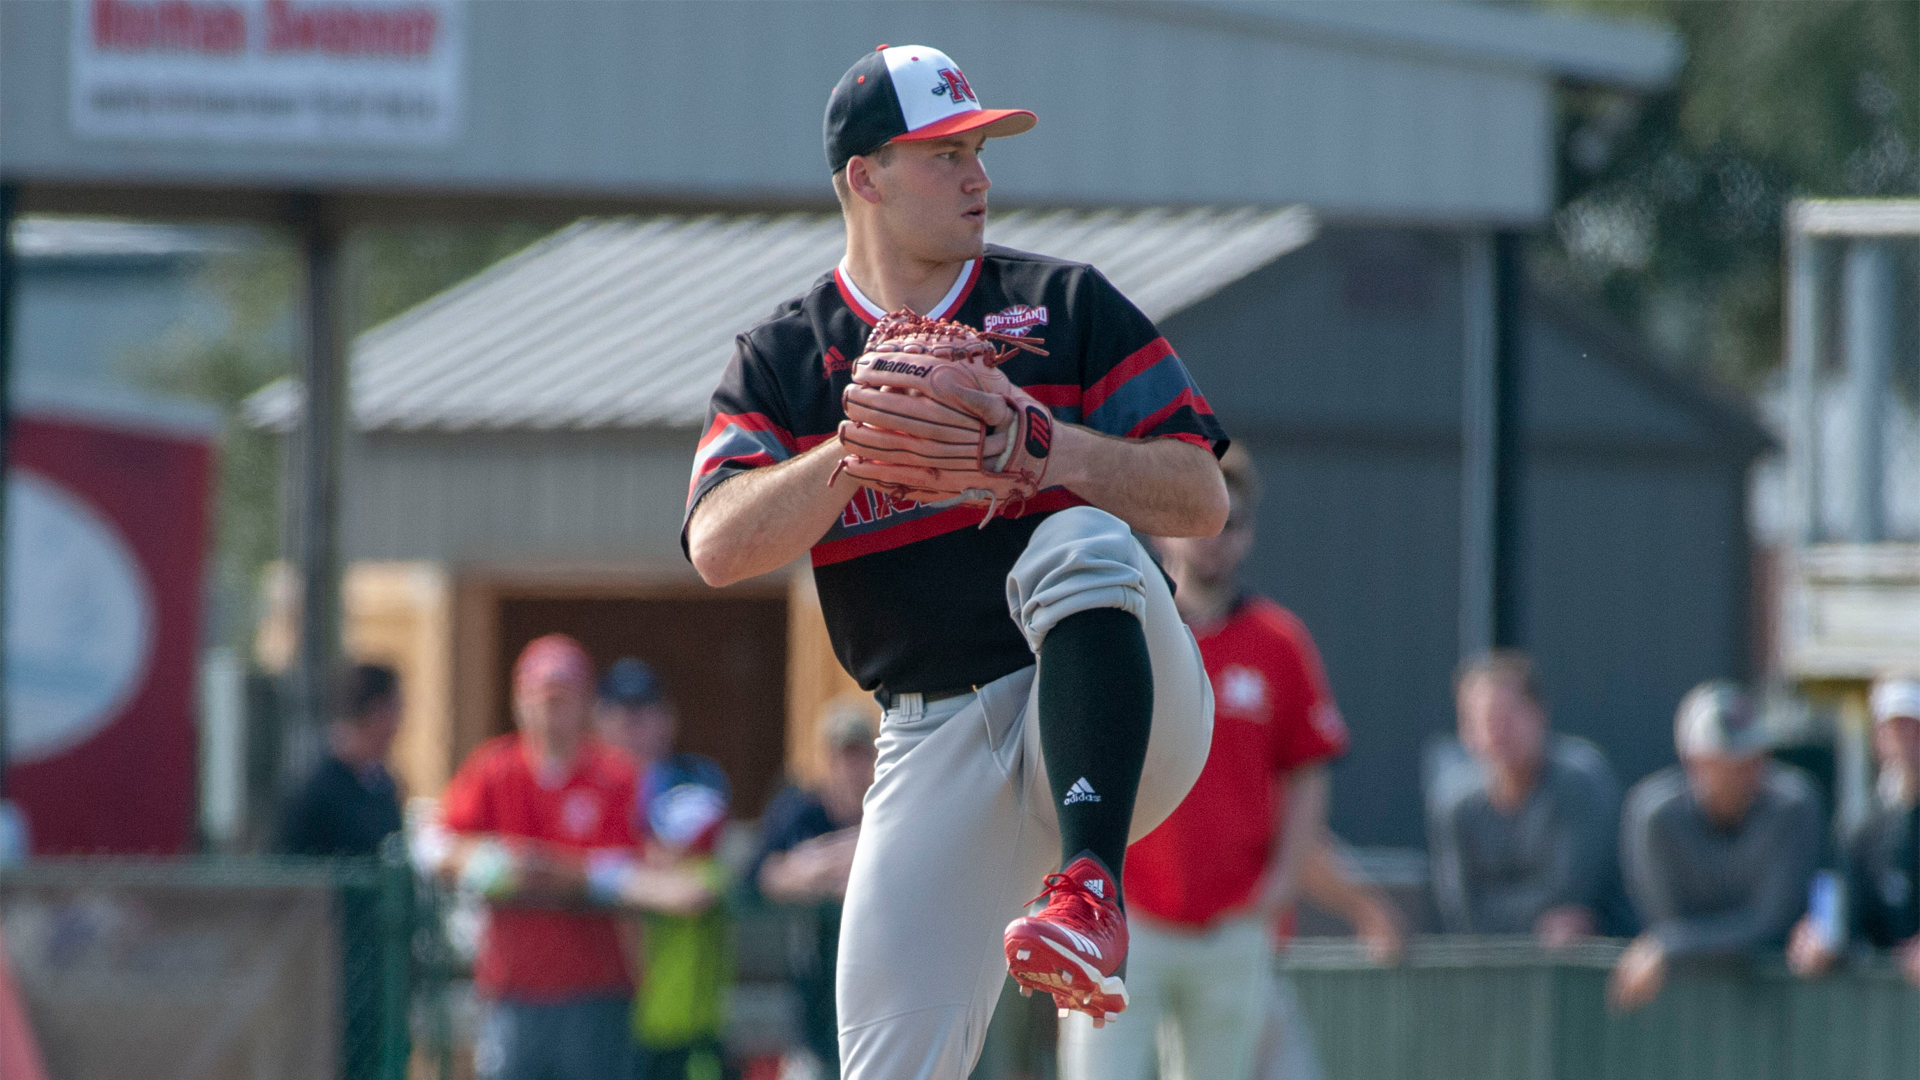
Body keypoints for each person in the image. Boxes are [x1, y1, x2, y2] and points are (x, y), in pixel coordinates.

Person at [682, 43, 1228, 1080]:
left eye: (980, 150)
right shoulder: (788, 358)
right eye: (943, 154)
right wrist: (852, 452)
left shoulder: (1061, 305)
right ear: (865, 177)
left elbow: (1199, 495)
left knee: (1075, 538)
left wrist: (1050, 448)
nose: (978, 176)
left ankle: (1090, 892)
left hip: (1129, 703)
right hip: (935, 735)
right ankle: (1076, 890)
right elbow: (717, 545)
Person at [1060, 445, 1343, 1080]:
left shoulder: (1279, 642)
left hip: (1232, 922)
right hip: (1122, 915)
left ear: (1249, 535)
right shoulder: (1122, 629)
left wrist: (1280, 886)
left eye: (1233, 521)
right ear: (1163, 527)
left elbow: (1309, 771)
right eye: (1203, 518)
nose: (1215, 537)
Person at [435, 634, 704, 1080]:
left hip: (597, 988)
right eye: (539, 698)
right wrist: (497, 864)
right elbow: (444, 847)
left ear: (584, 703)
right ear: (519, 701)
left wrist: (553, 872)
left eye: (562, 699)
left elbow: (631, 871)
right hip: (513, 987)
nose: (549, 711)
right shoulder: (494, 769)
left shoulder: (615, 776)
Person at [1610, 680, 1822, 1013]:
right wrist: (1675, 943)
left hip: (1781, 1010)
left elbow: (1771, 925)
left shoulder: (1792, 808)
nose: (1749, 770)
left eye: (1754, 755)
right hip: (1680, 1009)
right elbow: (1666, 922)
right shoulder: (1654, 817)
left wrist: (1672, 947)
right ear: (1693, 762)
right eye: (1730, 759)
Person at [1424, 652, 1620, 946]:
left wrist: (1497, 911)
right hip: (1493, 973)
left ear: (1539, 713)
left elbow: (1570, 896)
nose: (1496, 732)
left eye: (1508, 716)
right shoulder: (1452, 804)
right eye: (1482, 720)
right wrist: (1537, 924)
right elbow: (1462, 912)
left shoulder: (1580, 783)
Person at [750, 698, 879, 1079]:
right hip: (813, 999)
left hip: (877, 991)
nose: (850, 768)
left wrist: (820, 863)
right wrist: (826, 868)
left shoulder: (887, 808)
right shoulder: (800, 809)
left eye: (859, 755)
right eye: (842, 755)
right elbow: (762, 874)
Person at [1789, 675, 1920, 986]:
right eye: (1894, 727)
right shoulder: (1861, 829)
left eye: (1913, 727)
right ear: (1878, 738)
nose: (1904, 738)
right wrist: (1819, 939)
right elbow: (1839, 915)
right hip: (1878, 1013)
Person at [1255, 837, 1406, 1080]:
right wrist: (1368, 909)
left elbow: (1297, 841)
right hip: (1231, 963)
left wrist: (1367, 909)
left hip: (1248, 969)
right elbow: (1301, 846)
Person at [632, 757, 735, 1080]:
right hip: (638, 1032)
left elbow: (694, 895)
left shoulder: (710, 873)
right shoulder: (636, 869)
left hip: (695, 1035)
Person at [277, 663, 405, 857]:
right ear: (375, 711)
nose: (398, 724)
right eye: (395, 708)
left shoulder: (380, 784)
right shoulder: (317, 789)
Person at [595, 657, 678, 776]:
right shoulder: (575, 785)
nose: (632, 727)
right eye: (620, 713)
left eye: (643, 713)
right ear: (596, 721)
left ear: (667, 721)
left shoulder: (696, 782)